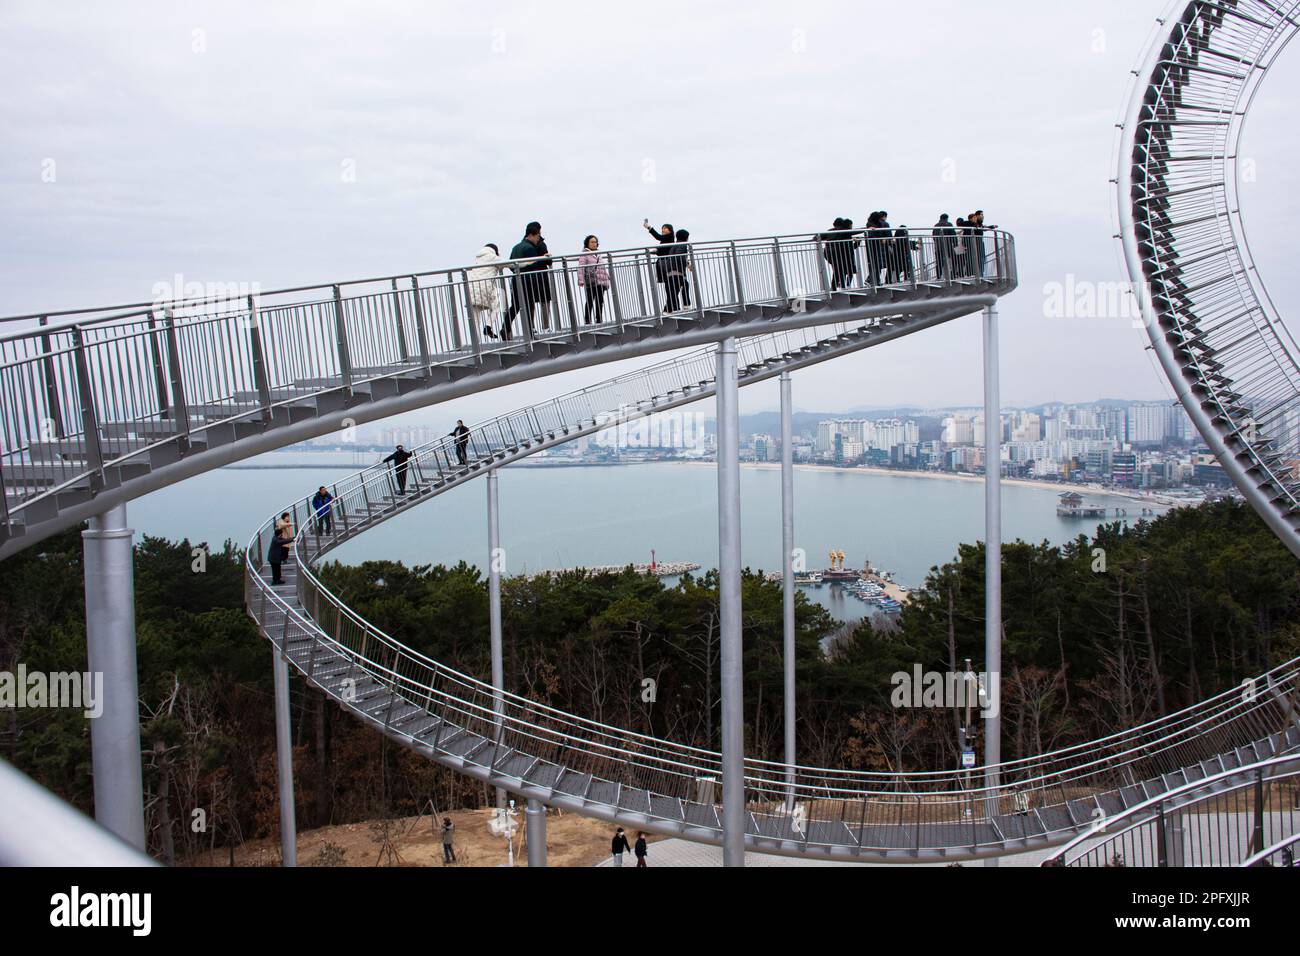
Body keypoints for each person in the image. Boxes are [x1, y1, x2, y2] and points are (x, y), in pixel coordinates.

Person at [504, 223, 553, 339]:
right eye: (538, 235)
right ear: (531, 235)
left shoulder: (516, 247)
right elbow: (534, 265)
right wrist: (545, 258)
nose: (538, 238)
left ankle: (508, 328)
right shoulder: (530, 248)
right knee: (534, 303)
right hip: (531, 280)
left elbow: (511, 265)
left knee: (520, 305)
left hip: (517, 280)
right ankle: (538, 329)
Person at [468, 243, 505, 341]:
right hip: (485, 287)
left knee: (475, 320)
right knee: (496, 306)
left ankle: (476, 345)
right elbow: (509, 263)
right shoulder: (493, 257)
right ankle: (488, 326)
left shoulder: (477, 259)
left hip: (471, 288)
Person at [577, 234, 611, 324]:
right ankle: (588, 321)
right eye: (592, 242)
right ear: (587, 243)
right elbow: (581, 268)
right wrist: (580, 280)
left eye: (595, 242)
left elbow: (601, 266)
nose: (594, 244)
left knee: (600, 301)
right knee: (590, 300)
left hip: (601, 280)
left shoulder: (599, 254)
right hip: (591, 280)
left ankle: (599, 320)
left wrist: (607, 276)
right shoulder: (584, 254)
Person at [662, 229, 691, 313]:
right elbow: (679, 256)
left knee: (673, 293)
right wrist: (686, 264)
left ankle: (666, 310)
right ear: (686, 238)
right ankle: (686, 305)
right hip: (677, 273)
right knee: (685, 285)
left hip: (670, 273)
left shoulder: (674, 245)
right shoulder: (682, 245)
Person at [934, 214, 957, 280]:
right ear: (947, 218)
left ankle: (938, 277)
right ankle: (953, 275)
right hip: (948, 245)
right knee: (954, 259)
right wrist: (955, 244)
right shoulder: (949, 224)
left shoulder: (936, 225)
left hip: (938, 246)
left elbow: (934, 236)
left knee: (939, 262)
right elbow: (953, 234)